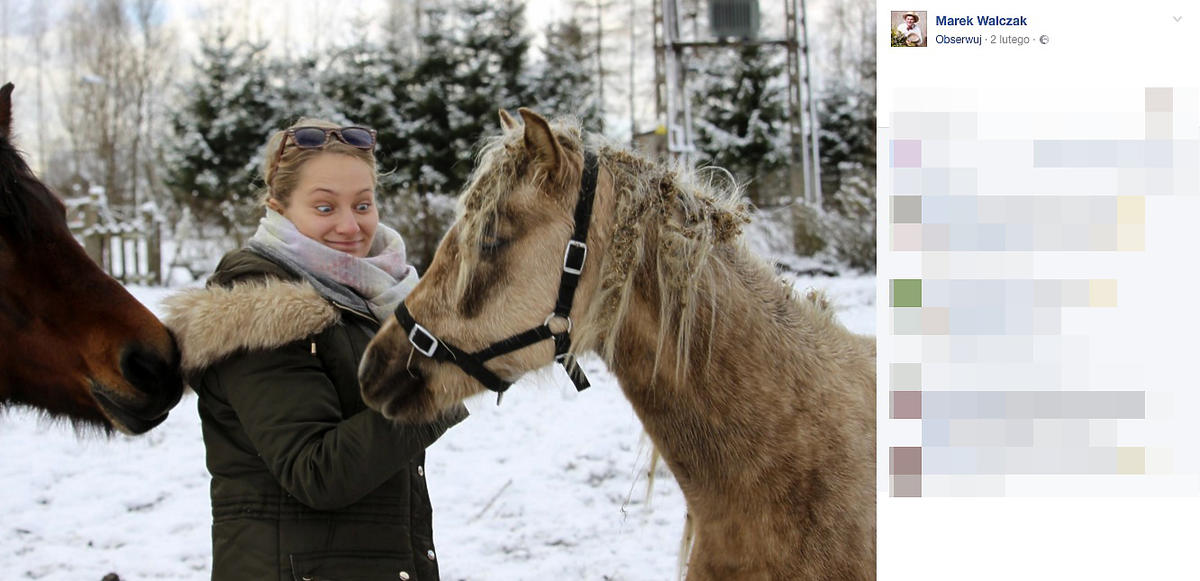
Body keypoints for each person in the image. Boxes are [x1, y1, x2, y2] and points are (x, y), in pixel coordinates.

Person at [165, 119, 466, 581]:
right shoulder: (260, 306)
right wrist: (436, 387)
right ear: (278, 208)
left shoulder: (367, 297)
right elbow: (317, 472)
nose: (351, 225)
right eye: (325, 206)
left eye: (363, 204)